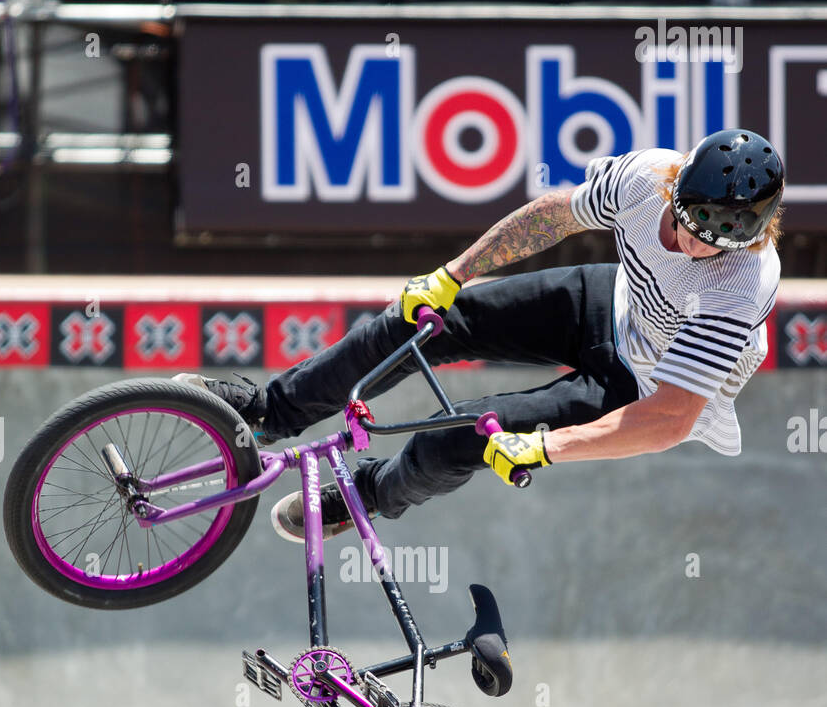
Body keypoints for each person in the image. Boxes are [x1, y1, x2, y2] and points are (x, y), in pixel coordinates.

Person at [187, 128, 784, 542]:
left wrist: (547, 448)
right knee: (418, 322)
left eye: (717, 242)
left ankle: (368, 495)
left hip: (645, 386)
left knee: (463, 435)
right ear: (675, 189)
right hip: (613, 301)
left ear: (753, 236)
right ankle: (271, 410)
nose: (696, 246)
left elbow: (672, 418)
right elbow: (551, 216)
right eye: (688, 226)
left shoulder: (742, 284)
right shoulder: (644, 177)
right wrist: (450, 276)